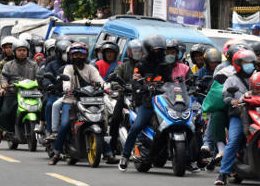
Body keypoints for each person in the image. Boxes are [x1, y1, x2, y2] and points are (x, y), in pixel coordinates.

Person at [118, 34, 178, 171]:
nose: (158, 52)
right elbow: (135, 81)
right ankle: (125, 156)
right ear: (149, 49)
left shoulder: (165, 64)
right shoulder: (141, 64)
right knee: (137, 126)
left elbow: (169, 81)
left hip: (164, 101)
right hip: (147, 101)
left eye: (160, 49)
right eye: (155, 49)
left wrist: (175, 87)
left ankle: (190, 158)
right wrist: (143, 87)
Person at [49, 42, 106, 165]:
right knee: (64, 124)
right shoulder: (68, 68)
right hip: (71, 101)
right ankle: (57, 153)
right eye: (75, 54)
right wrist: (67, 89)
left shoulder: (91, 68)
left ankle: (108, 153)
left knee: (101, 122)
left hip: (89, 101)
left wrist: (106, 87)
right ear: (71, 56)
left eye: (81, 54)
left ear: (86, 56)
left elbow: (100, 81)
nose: (78, 57)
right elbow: (67, 82)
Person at [215, 49, 258, 185]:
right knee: (234, 140)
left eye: (251, 62)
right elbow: (226, 96)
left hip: (258, 114)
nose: (249, 64)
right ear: (238, 64)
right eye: (246, 62)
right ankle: (223, 173)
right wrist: (233, 101)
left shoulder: (258, 76)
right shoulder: (231, 80)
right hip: (239, 115)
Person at [0, 39, 38, 149]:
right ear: (14, 52)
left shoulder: (34, 64)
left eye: (24, 50)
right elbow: (3, 77)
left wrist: (40, 83)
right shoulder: (8, 65)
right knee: (5, 112)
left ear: (27, 51)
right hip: (13, 93)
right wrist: (4, 85)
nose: (22, 52)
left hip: (30, 93)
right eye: (19, 50)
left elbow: (39, 76)